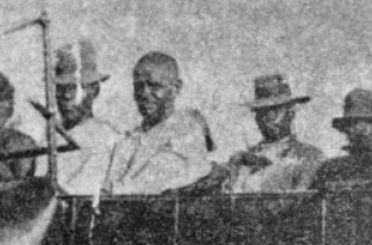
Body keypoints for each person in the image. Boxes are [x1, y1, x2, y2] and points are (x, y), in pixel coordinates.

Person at [101, 51, 214, 195]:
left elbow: (154, 185)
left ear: (176, 89)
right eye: (138, 86)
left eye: (154, 86)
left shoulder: (186, 134)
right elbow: (106, 190)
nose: (144, 94)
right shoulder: (127, 142)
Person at [227, 73, 324, 193]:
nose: (267, 117)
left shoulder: (308, 155)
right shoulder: (244, 159)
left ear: (291, 112)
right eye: (261, 112)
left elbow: (299, 199)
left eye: (275, 110)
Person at [54, 40, 121, 195]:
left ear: (94, 90)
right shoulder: (51, 136)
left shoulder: (106, 137)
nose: (66, 95)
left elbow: (83, 193)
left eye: (73, 88)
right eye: (60, 88)